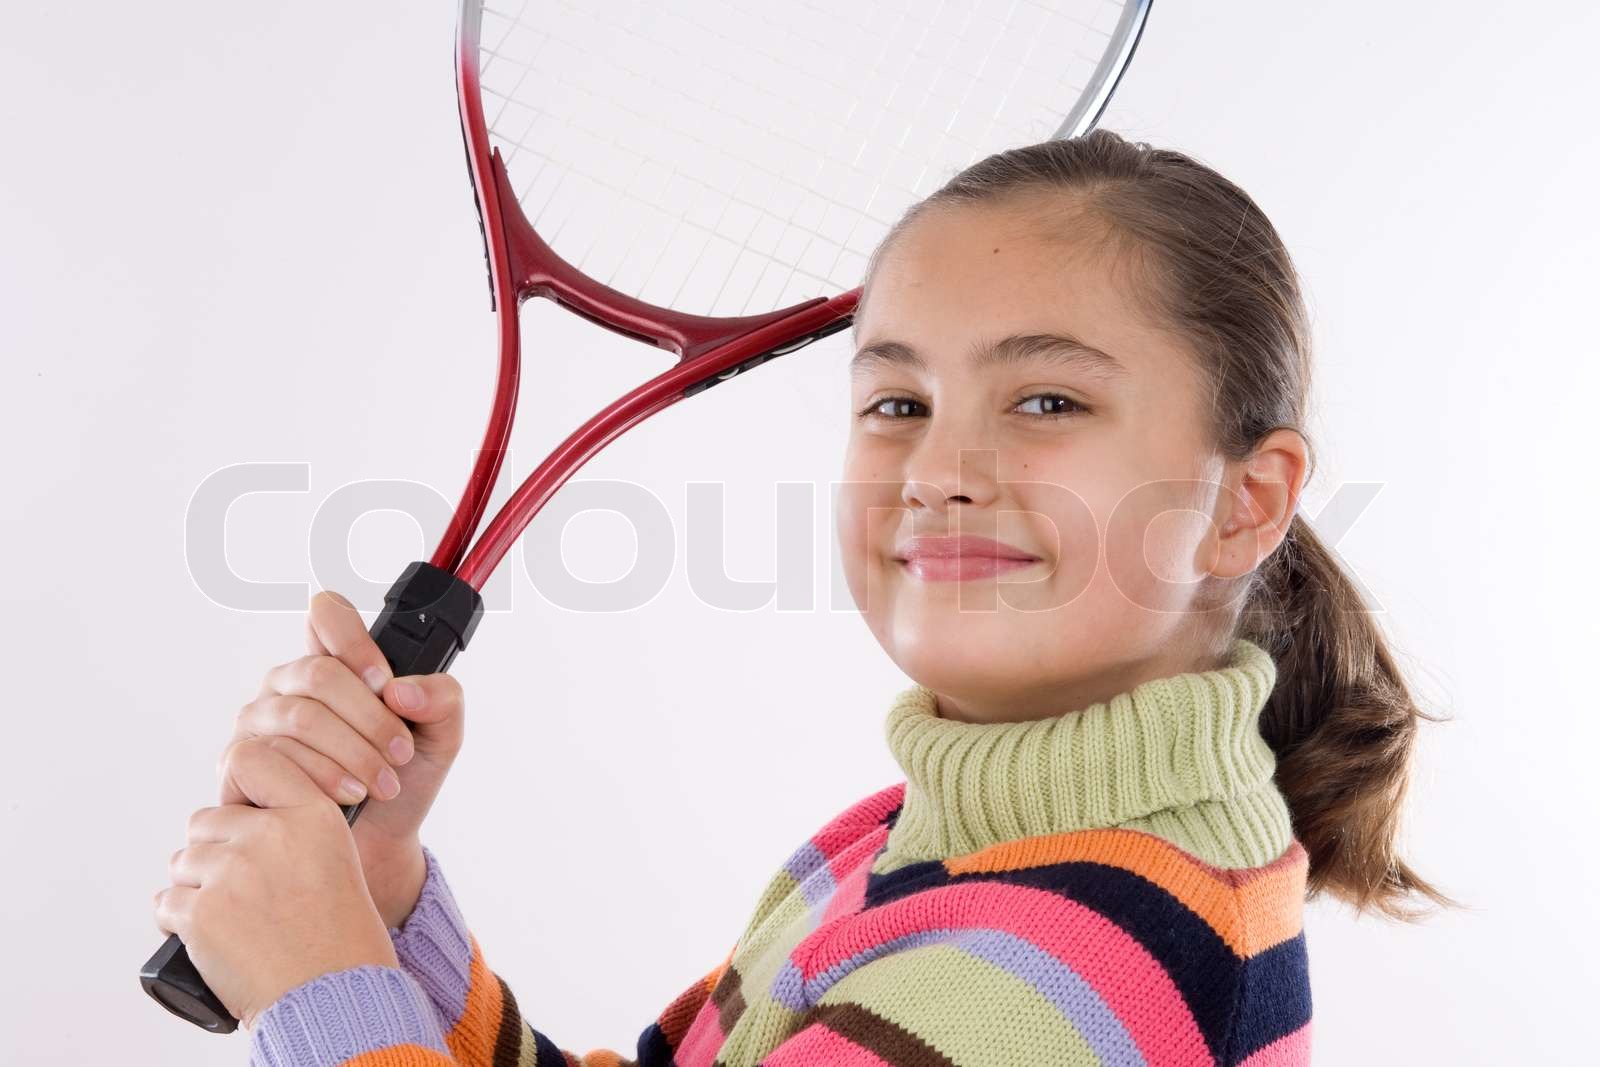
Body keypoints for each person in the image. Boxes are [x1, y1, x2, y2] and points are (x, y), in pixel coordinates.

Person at [154, 129, 1458, 1065]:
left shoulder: (1062, 979)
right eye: (897, 401)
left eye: (1048, 399)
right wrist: (378, 906)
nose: (941, 472)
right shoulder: (916, 842)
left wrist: (323, 992)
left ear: (1247, 499)